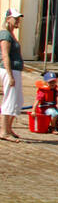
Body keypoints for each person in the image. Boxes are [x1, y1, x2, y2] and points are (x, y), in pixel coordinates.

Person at [0, 9, 24, 142]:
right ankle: (4, 131)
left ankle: (8, 128)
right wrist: (10, 76)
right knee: (9, 100)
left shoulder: (11, 34)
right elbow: (5, 55)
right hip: (9, 70)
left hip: (15, 70)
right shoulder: (5, 34)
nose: (18, 20)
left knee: (18, 100)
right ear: (8, 18)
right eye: (15, 18)